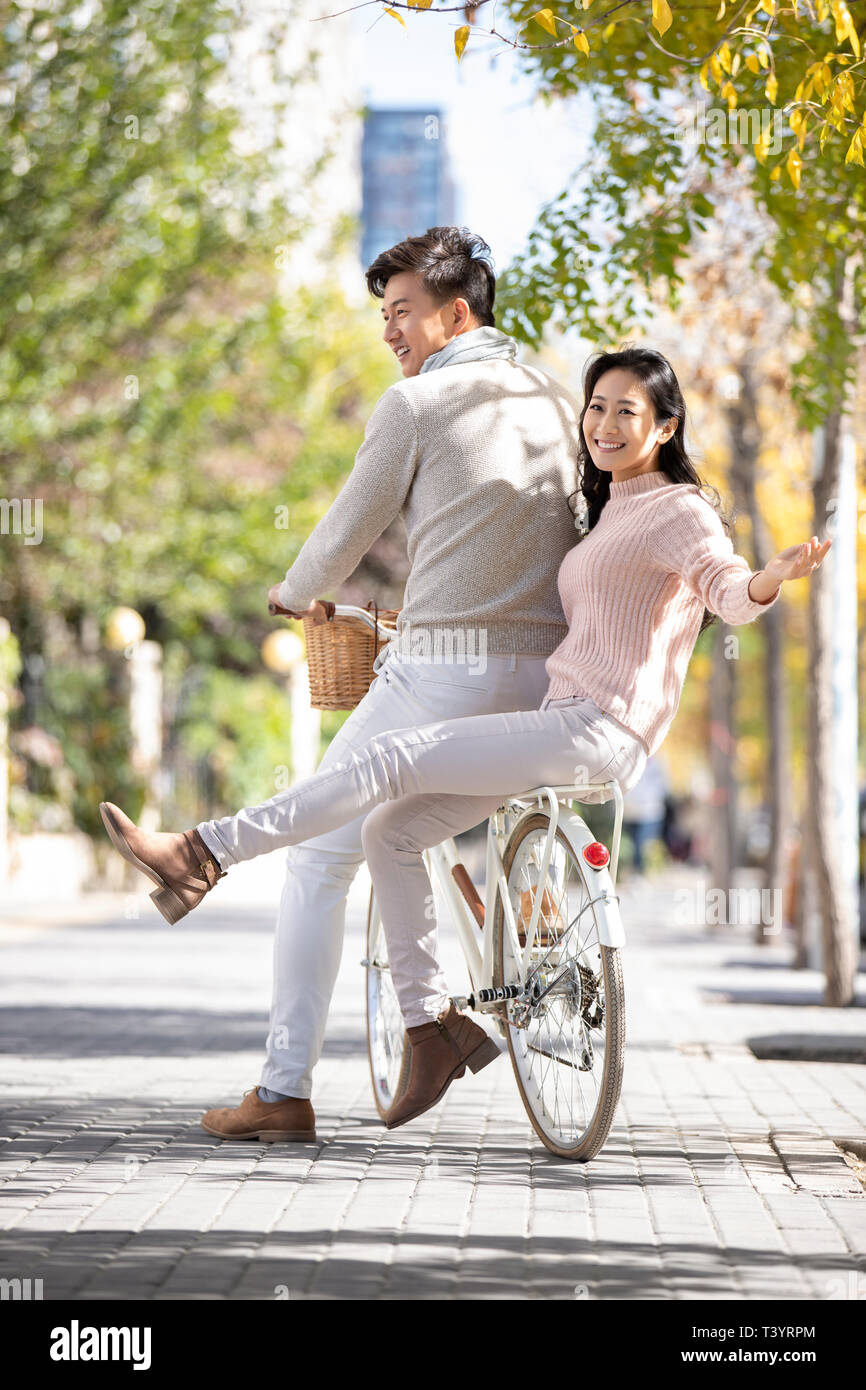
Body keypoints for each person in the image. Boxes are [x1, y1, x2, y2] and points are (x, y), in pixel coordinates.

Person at [100, 345, 831, 1138]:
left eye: (628, 411)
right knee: (394, 830)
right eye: (596, 407)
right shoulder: (604, 507)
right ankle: (430, 1032)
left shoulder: (679, 508)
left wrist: (767, 579)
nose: (605, 424)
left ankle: (206, 851)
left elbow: (723, 584)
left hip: (595, 726)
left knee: (388, 761)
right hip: (565, 720)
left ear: (665, 427)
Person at [103, 226, 588, 1143]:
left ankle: (279, 1077)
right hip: (544, 690)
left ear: (455, 313)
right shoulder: (559, 398)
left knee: (321, 860)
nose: (389, 332)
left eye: (402, 312)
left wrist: (294, 593)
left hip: (447, 672)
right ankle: (427, 1026)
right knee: (382, 833)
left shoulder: (419, 402)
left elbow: (345, 525)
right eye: (383, 315)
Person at [622, 754, 670, 878]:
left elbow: (664, 786)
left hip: (650, 812)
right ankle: (635, 872)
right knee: (632, 844)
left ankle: (640, 872)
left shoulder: (658, 763)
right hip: (630, 812)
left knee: (642, 844)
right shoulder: (631, 758)